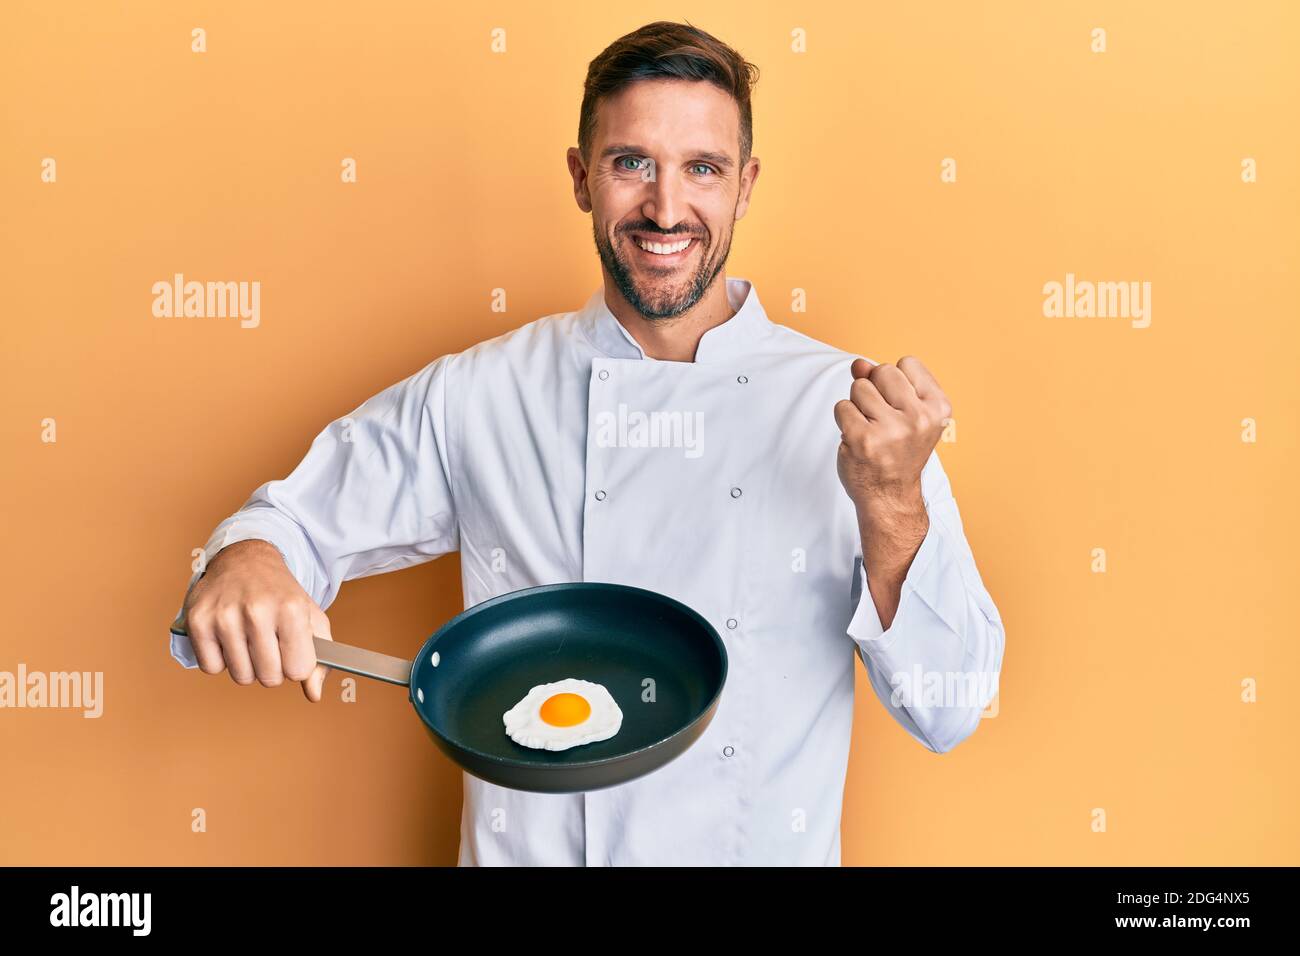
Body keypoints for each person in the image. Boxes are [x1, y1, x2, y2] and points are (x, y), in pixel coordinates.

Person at [168, 20, 1005, 866]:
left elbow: (953, 706)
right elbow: (285, 526)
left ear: (745, 186)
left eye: (702, 169)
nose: (666, 209)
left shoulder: (851, 417)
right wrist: (252, 562)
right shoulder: (482, 393)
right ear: (581, 177)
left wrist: (895, 503)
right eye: (630, 162)